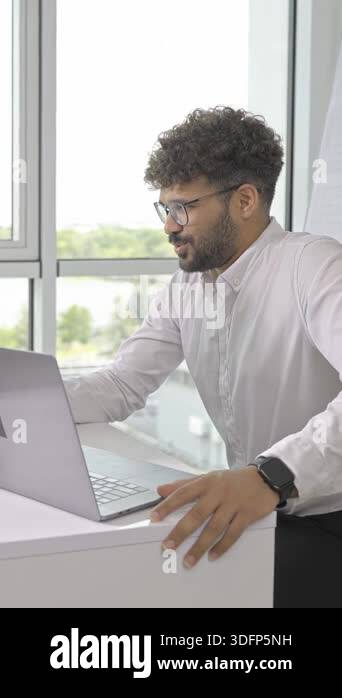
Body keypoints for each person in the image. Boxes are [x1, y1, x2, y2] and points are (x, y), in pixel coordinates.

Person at [64, 107, 342, 604]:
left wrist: (271, 476)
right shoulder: (186, 287)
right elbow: (123, 385)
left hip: (326, 518)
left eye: (184, 207)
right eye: (164, 208)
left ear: (245, 200)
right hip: (258, 514)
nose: (169, 226)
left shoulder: (315, 266)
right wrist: (28, 404)